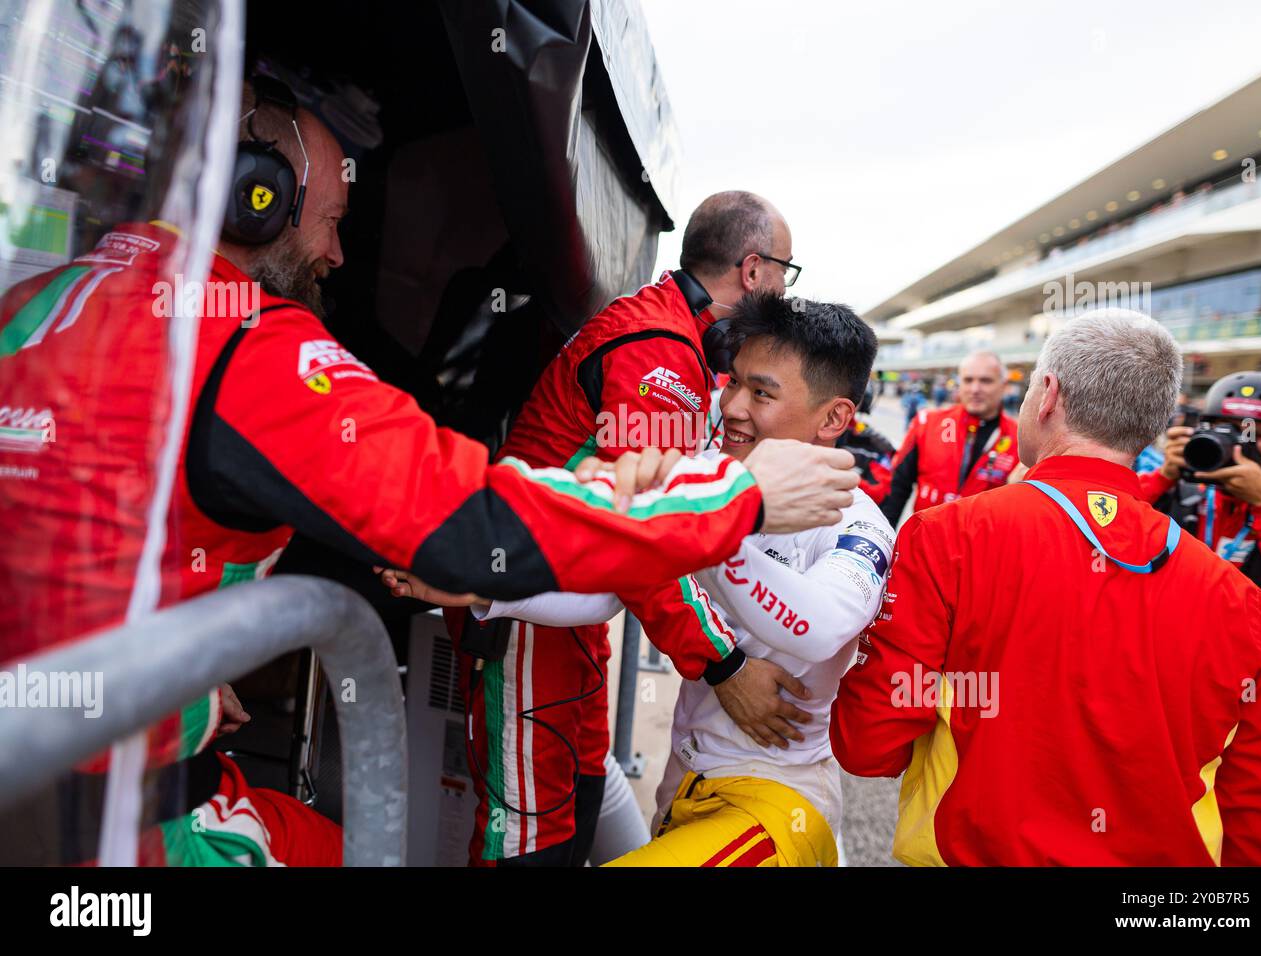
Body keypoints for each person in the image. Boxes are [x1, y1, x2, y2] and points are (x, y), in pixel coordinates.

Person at [0, 82, 856, 866]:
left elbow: (78, 522)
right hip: (117, 829)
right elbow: (469, 520)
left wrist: (180, 664)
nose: (337, 253)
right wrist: (740, 501)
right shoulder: (241, 341)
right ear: (255, 200)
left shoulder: (34, 303)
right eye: (331, 220)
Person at [387, 292, 891, 866]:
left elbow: (819, 629)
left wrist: (713, 529)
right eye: (733, 383)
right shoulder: (715, 484)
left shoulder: (857, 523)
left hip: (775, 807)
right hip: (683, 788)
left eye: (763, 393)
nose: (732, 406)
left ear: (834, 418)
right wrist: (489, 587)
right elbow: (610, 588)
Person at [831, 309, 1261, 865]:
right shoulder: (1237, 596)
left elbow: (869, 745)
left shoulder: (947, 536)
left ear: (1047, 395)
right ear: (1153, 423)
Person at [438, 190, 810, 867]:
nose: (785, 289)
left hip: (570, 613)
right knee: (527, 845)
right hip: (529, 614)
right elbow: (646, 533)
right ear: (753, 271)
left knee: (575, 806)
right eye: (786, 271)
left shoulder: (674, 332)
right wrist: (722, 663)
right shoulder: (660, 350)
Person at [1138, 372, 1261, 723]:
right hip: (1171, 666)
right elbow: (1100, 532)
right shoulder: (1179, 488)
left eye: (1255, 433)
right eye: (1222, 429)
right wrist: (1165, 474)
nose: (1237, 444)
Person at [878, 350, 1019, 527]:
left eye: (986, 381)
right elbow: (897, 488)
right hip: (925, 545)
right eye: (968, 380)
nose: (975, 389)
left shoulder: (1020, 438)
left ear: (1004, 386)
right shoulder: (927, 423)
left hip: (982, 550)